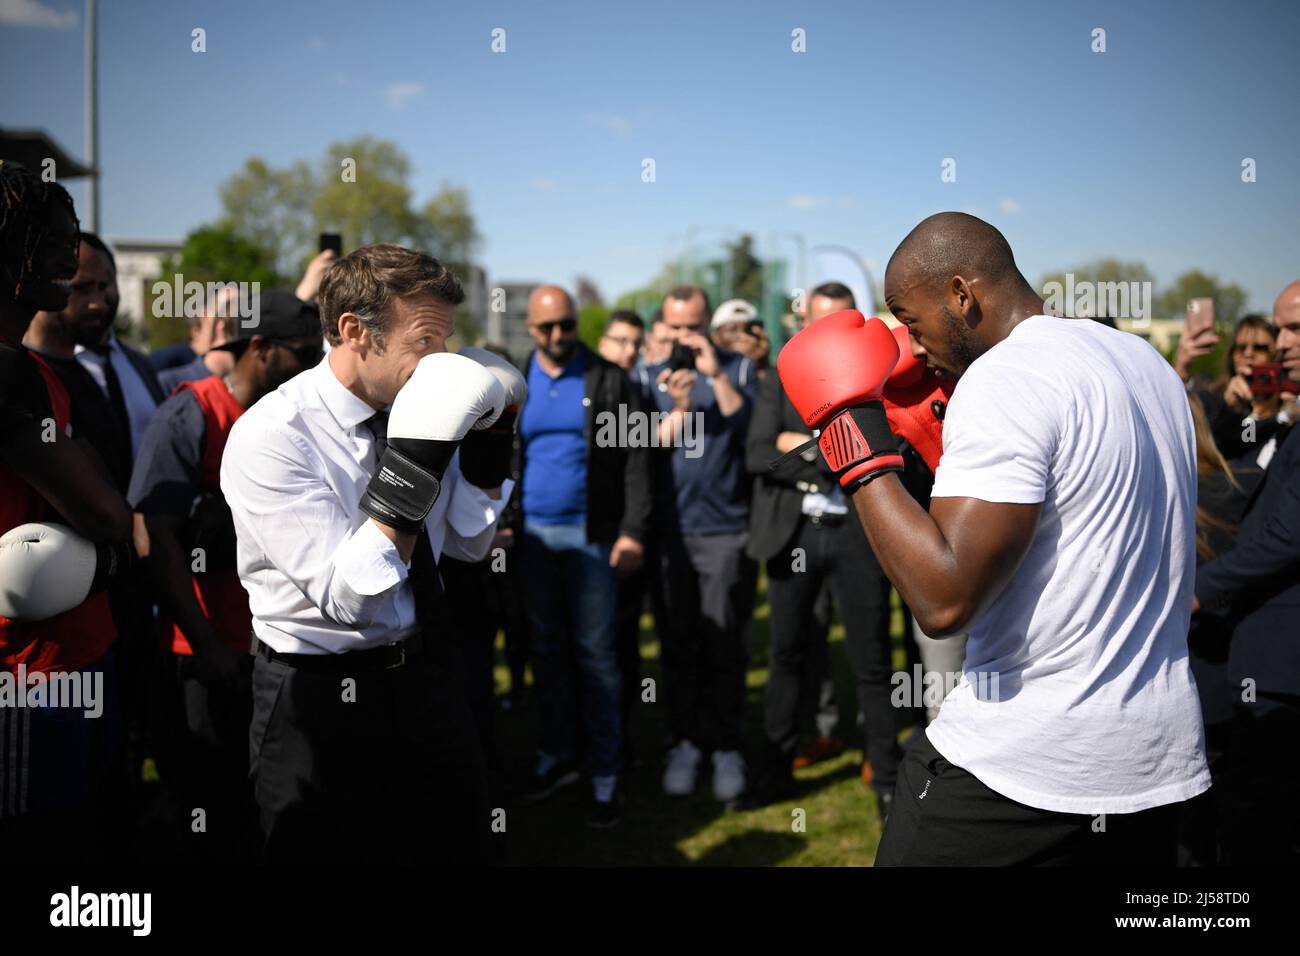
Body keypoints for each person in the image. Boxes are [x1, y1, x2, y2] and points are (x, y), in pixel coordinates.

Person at [780, 212, 1210, 865]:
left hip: (1028, 759)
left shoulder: (1007, 376)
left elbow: (943, 599)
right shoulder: (1142, 361)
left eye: (910, 316)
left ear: (961, 293)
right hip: (1156, 758)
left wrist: (848, 432)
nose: (911, 343)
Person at [219, 243, 517, 865]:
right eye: (423, 342)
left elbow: (467, 544)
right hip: (319, 693)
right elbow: (349, 600)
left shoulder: (421, 404)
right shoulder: (273, 436)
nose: (440, 362)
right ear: (356, 332)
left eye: (446, 341)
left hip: (426, 672)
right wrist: (413, 465)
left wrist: (492, 447)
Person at [128, 289, 323, 862]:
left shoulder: (294, 418)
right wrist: (206, 643)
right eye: (303, 353)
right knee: (206, 803)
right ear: (260, 348)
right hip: (206, 647)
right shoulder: (190, 413)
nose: (314, 367)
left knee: (270, 795)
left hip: (276, 647)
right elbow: (154, 535)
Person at [0, 161, 134, 862]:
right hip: (27, 670)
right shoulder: (6, 367)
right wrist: (109, 533)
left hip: (81, 646)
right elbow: (108, 515)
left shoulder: (40, 367)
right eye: (48, 237)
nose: (69, 254)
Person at [741, 281, 899, 811]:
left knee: (871, 658)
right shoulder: (780, 379)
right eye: (816, 322)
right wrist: (829, 451)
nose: (825, 335)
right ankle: (775, 769)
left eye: (839, 322)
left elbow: (890, 447)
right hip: (796, 534)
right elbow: (759, 452)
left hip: (858, 533)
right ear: (802, 321)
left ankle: (885, 777)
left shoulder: (877, 376)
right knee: (787, 652)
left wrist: (799, 446)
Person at [515, 286, 650, 827]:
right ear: (529, 328)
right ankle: (558, 753)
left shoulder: (607, 377)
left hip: (592, 536)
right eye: (546, 328)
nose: (557, 337)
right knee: (545, 650)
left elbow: (638, 457)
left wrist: (633, 530)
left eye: (566, 326)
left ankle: (604, 771)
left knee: (596, 656)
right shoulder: (513, 380)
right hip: (530, 540)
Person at [1192, 277, 1300, 866]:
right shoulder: (1229, 411)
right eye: (1263, 339)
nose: (1276, 350)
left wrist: (1198, 592)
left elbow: (1287, 534)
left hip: (1279, 668)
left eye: (1293, 331)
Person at [645, 284, 758, 804]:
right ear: (663, 326)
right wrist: (681, 408)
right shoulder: (648, 376)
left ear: (708, 322)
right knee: (679, 643)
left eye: (693, 324)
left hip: (726, 528)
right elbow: (642, 448)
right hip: (670, 531)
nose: (684, 335)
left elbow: (749, 431)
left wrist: (713, 375)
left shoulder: (736, 367)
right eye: (676, 325)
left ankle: (727, 746)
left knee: (726, 644)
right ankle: (686, 741)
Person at [710, 299, 770, 378]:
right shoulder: (702, 373)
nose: (743, 336)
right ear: (715, 336)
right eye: (732, 329)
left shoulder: (771, 374)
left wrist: (761, 365)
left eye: (748, 330)